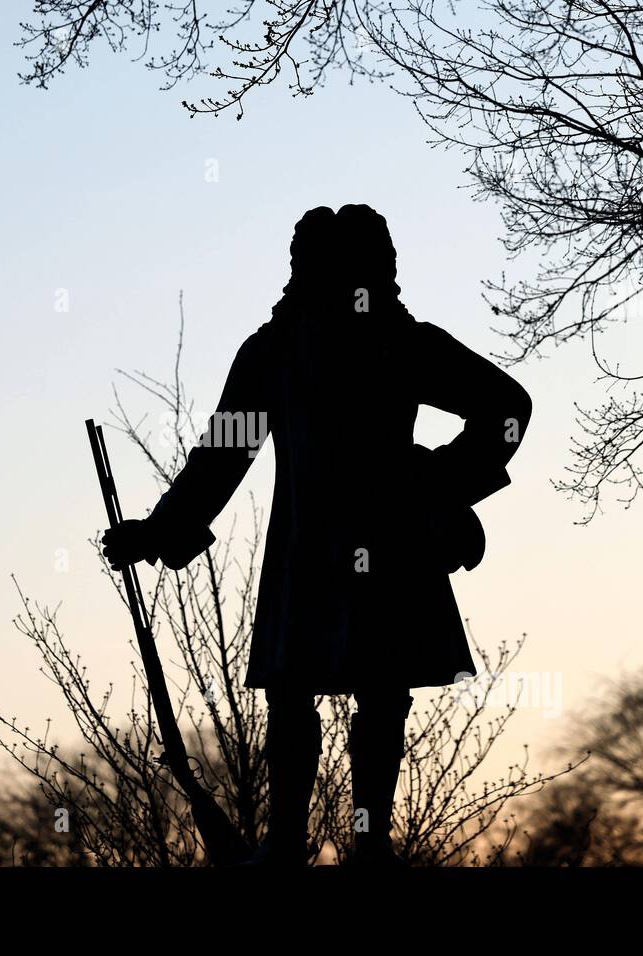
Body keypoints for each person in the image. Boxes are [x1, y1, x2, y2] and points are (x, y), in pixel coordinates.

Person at [102, 204, 532, 865]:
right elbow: (225, 453)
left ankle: (352, 844)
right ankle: (301, 844)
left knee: (370, 693)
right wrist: (162, 530)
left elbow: (507, 410)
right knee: (309, 695)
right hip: (324, 548)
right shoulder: (296, 351)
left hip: (363, 545)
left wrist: (439, 484)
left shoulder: (382, 345)